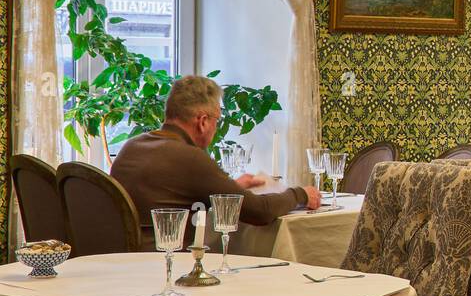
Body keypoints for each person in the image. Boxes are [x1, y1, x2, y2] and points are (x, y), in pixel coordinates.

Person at [112, 75, 321, 243]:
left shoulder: (132, 146)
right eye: (217, 120)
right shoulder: (189, 158)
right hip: (164, 261)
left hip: (124, 260)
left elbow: (173, 192)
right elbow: (260, 212)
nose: (216, 127)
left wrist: (233, 187)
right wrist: (299, 194)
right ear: (203, 121)